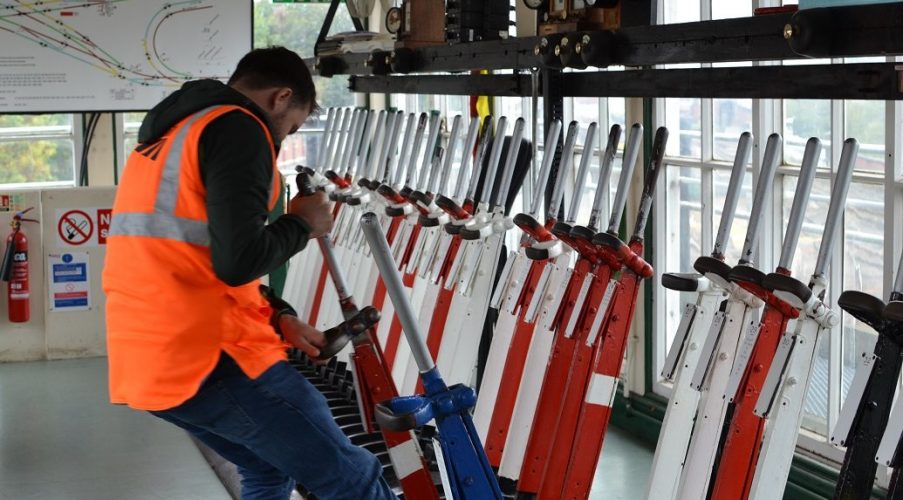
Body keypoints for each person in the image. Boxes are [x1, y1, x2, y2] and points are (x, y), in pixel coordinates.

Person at [103, 47, 397, 500]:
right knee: (352, 475)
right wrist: (303, 222)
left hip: (149, 355)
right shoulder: (241, 129)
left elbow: (195, 262)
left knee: (267, 468)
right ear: (280, 98)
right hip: (205, 354)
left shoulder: (174, 133)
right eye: (292, 127)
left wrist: (279, 318)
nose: (282, 138)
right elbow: (238, 259)